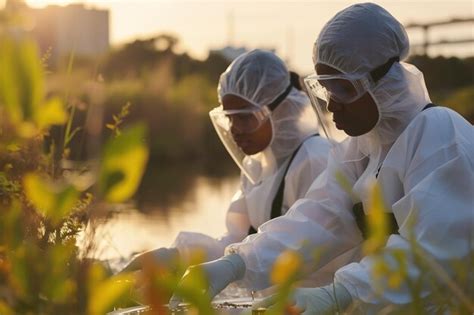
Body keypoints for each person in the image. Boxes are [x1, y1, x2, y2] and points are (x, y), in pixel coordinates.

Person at [171, 3, 474, 313]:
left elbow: (433, 251)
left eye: (343, 89)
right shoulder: (360, 149)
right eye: (326, 90)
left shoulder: (439, 134)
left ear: (385, 80)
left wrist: (339, 292)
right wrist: (236, 262)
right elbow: (316, 219)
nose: (332, 106)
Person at [121, 50, 331, 282]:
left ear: (279, 110)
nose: (234, 130)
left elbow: (308, 250)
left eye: (245, 117)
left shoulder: (314, 160)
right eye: (230, 118)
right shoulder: (258, 165)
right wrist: (178, 255)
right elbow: (238, 243)